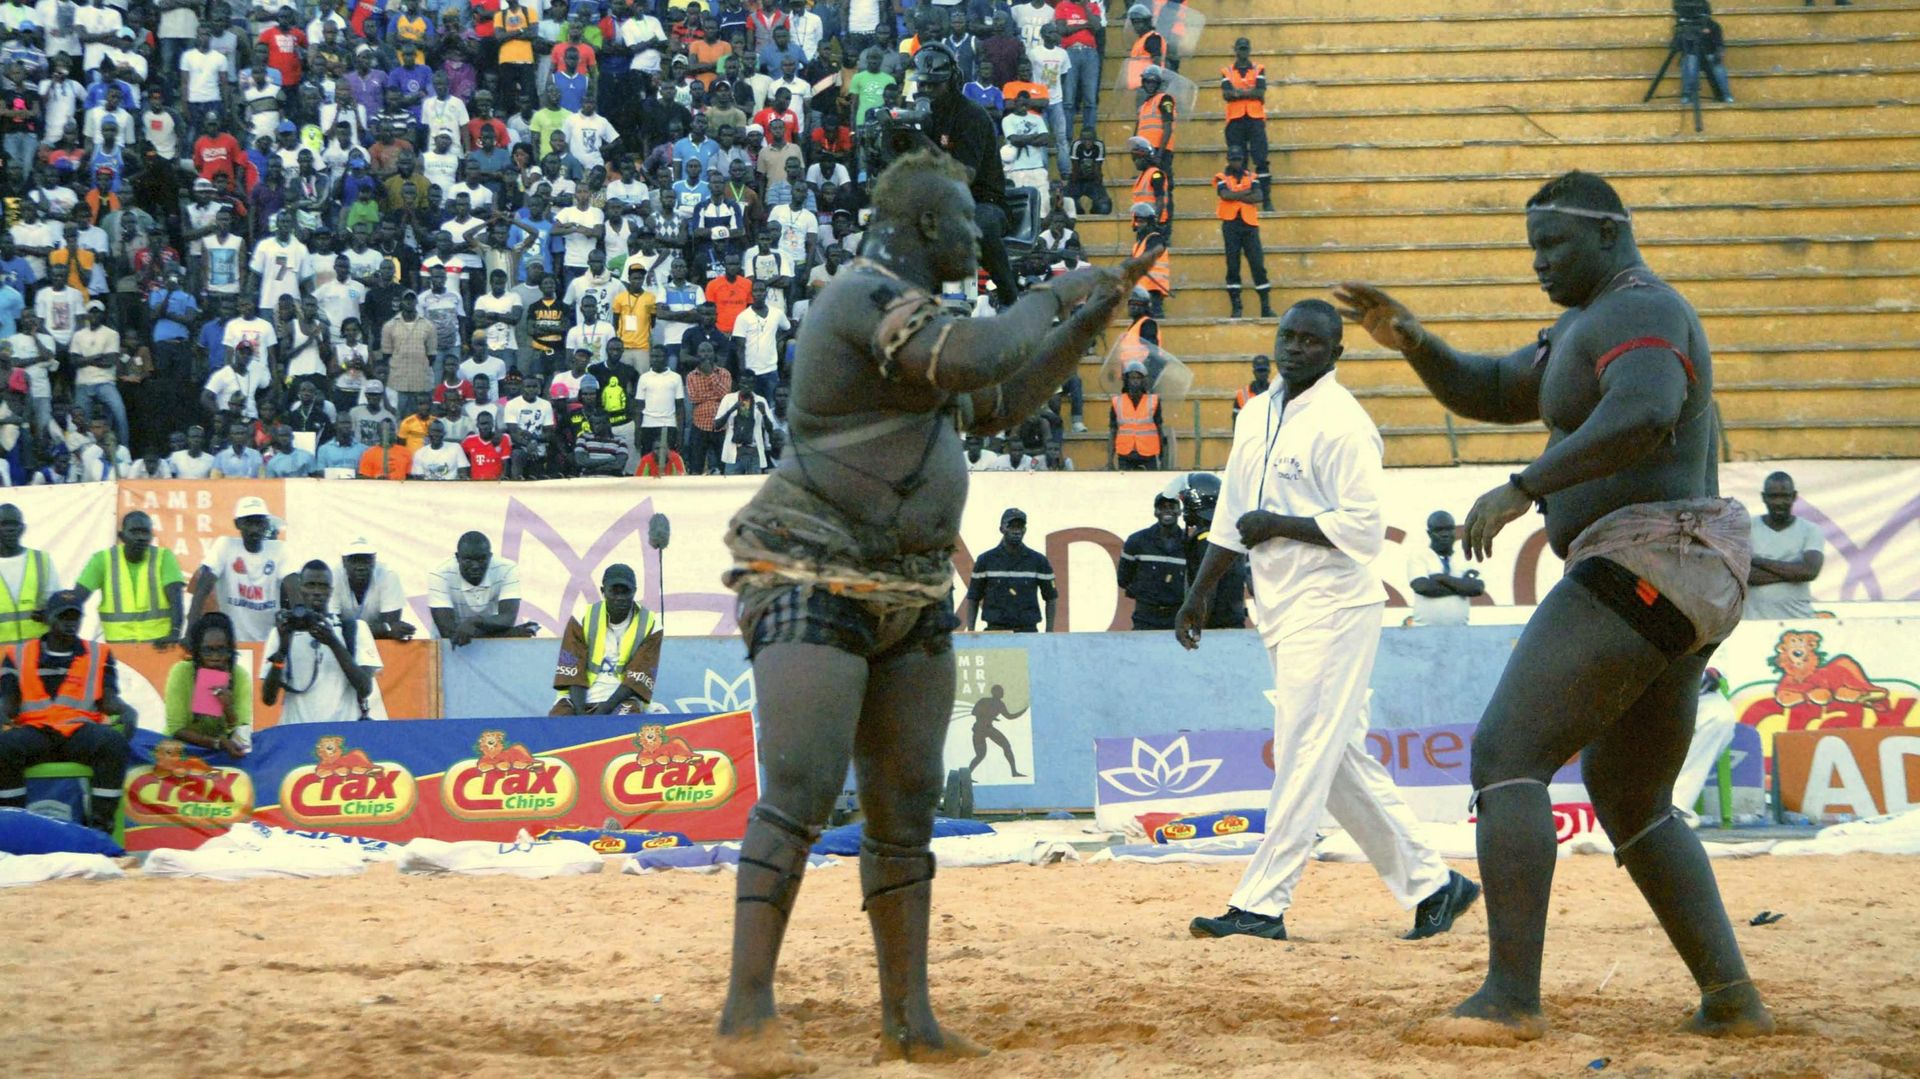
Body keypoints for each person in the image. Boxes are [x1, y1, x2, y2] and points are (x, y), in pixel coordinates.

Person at [713, 149, 1143, 1072]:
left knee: (906, 807)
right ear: (925, 228)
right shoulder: (861, 298)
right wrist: (1061, 287)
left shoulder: (915, 321)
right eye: (966, 219)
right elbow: (983, 352)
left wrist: (1087, 323)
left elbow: (996, 400)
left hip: (909, 588)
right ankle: (746, 1011)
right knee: (799, 788)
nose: (980, 234)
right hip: (809, 569)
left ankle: (909, 1019)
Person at [1333, 169, 1772, 1037]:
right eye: (1531, 245)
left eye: (1553, 245)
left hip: (1652, 549)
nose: (1537, 261)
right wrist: (1415, 340)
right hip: (1669, 567)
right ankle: (1733, 998)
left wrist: (1524, 487)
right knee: (1631, 793)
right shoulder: (1584, 324)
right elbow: (1496, 390)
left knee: (1507, 752)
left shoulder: (1640, 309)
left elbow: (1648, 410)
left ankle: (1510, 997)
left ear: (1609, 234)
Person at [1176, 300, 1478, 945]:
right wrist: (1200, 592)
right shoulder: (1256, 411)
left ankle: (1261, 903)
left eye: (1313, 342)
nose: (1295, 348)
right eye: (1289, 336)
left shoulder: (1346, 425)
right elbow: (1232, 513)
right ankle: (1434, 885)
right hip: (1278, 604)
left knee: (1302, 750)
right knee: (1334, 758)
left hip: (1336, 604)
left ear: (1337, 353)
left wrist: (1281, 525)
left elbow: (1365, 530)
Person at [0, 589, 134, 832]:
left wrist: (125, 710)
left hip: (79, 731)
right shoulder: (17, 654)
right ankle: (13, 826)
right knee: (3, 747)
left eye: (75, 616)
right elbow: (8, 701)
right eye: (64, 616)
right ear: (49, 618)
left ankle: (101, 830)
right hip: (35, 732)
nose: (70, 622)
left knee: (113, 743)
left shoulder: (99, 653)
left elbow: (108, 699)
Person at [913, 44, 1018, 300]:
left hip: (982, 201)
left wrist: (922, 141)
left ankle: (1010, 297)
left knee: (977, 225)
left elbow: (965, 176)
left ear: (953, 81)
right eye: (923, 85)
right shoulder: (919, 117)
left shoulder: (972, 115)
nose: (927, 91)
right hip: (938, 204)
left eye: (934, 85)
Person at [261, 561, 382, 724]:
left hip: (343, 733)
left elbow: (365, 688)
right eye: (310, 585)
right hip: (296, 733)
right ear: (300, 589)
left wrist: (333, 642)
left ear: (331, 591)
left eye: (323, 586)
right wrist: (282, 649)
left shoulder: (354, 629)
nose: (317, 592)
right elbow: (268, 699)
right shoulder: (283, 631)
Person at [550, 563, 663, 715]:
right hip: (577, 698)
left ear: (635, 592)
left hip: (621, 699)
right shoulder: (582, 617)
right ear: (603, 591)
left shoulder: (652, 623)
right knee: (559, 721)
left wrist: (603, 711)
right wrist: (580, 713)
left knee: (624, 722)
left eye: (626, 592)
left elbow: (637, 678)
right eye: (614, 592)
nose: (620, 598)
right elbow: (573, 670)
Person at [74, 510, 186, 645]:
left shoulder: (164, 557)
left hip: (159, 647)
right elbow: (77, 597)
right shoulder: (102, 560)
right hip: (119, 650)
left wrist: (175, 632)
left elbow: (176, 598)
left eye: (145, 532)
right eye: (134, 532)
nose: (140, 537)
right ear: (121, 536)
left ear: (151, 536)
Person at [188, 496, 286, 643]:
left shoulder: (280, 553)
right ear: (239, 525)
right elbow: (200, 590)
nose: (258, 530)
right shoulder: (225, 548)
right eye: (250, 522)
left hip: (269, 641)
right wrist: (192, 631)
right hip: (230, 640)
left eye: (273, 532)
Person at [162, 612, 253, 758]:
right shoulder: (181, 672)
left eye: (221, 649)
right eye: (208, 650)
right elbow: (176, 728)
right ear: (197, 651)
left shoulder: (240, 676)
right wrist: (216, 743)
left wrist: (228, 709)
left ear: (230, 651)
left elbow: (242, 731)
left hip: (223, 751)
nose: (215, 657)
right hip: (183, 751)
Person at [429, 531, 537, 646]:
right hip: (448, 648)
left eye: (481, 560)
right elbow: (450, 633)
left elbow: (508, 618)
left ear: (490, 557)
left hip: (491, 645)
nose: (475, 566)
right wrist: (505, 634)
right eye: (468, 560)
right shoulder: (439, 574)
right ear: (457, 557)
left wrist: (475, 621)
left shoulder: (507, 569)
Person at [960, 508, 1057, 633]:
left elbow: (1051, 598)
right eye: (1011, 526)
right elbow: (973, 598)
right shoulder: (985, 560)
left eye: (1020, 527)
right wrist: (971, 632)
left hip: (1028, 632)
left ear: (1025, 530)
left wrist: (1049, 633)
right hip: (995, 632)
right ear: (1002, 529)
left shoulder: (1039, 561)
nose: (1016, 531)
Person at [1744, 471, 1824, 619]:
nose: (1779, 502)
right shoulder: (1746, 528)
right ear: (1764, 497)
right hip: (1752, 623)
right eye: (1774, 496)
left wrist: (1757, 560)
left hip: (1799, 622)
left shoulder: (1811, 530)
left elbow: (1810, 571)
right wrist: (1794, 572)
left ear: (1794, 496)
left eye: (1785, 496)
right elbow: (1743, 575)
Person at [1176, 472, 1249, 629]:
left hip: (1215, 627)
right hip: (1231, 622)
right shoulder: (1222, 536)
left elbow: (1208, 589)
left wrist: (1196, 626)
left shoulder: (1207, 541)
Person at [1673, 667, 1737, 825]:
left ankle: (1674, 808)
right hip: (1643, 691)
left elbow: (1719, 658)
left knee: (1720, 717)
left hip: (1696, 692)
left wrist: (1711, 672)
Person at [1118, 491, 1188, 630]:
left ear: (1179, 511)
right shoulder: (1137, 541)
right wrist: (1145, 594)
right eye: (1162, 507)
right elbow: (1123, 579)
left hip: (1178, 617)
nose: (1167, 510)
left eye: (1172, 506)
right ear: (1155, 511)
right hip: (1145, 617)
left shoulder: (1190, 544)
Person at [1216, 147, 1273, 320]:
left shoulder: (1252, 176)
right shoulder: (1221, 177)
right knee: (1233, 266)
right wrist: (1245, 193)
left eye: (1239, 159)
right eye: (1233, 159)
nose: (1236, 162)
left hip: (1249, 225)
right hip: (1231, 225)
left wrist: (1236, 195)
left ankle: (1265, 306)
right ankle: (1236, 307)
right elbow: (1224, 194)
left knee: (1258, 265)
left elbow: (1259, 196)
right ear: (1228, 159)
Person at [1219, 37, 1272, 211]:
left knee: (1261, 159)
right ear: (1235, 50)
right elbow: (1227, 94)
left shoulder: (1259, 68)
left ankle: (1265, 199)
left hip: (1255, 118)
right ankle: (1244, 199)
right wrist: (1250, 92)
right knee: (1239, 160)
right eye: (1240, 49)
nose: (1243, 52)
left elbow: (1260, 91)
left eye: (1245, 49)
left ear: (1249, 50)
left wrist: (1238, 93)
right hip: (1235, 120)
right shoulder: (1226, 71)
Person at [1406, 510, 1484, 626]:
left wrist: (1441, 578)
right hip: (1424, 632)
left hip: (1460, 631)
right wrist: (1462, 587)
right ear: (1429, 533)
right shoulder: (1419, 556)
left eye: (1449, 529)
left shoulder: (1465, 557)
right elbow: (1422, 587)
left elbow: (1477, 588)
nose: (1445, 534)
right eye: (1439, 530)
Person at [333, 539, 415, 640]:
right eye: (355, 560)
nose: (360, 567)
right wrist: (384, 629)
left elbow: (392, 628)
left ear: (373, 561)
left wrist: (386, 629)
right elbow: (333, 629)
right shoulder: (332, 576)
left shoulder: (388, 575)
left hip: (378, 644)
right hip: (341, 644)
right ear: (344, 562)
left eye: (365, 560)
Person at [0, 503, 57, 645]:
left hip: (36, 656)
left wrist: (50, 614)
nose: (10, 529)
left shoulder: (41, 560)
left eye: (15, 524)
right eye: (4, 524)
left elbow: (57, 604)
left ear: (23, 529)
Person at [1107, 361, 1164, 471]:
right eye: (1132, 378)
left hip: (1148, 454)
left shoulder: (1154, 401)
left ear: (1144, 381)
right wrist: (1109, 460)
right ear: (1126, 381)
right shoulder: (1117, 402)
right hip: (1125, 454)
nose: (1135, 382)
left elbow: (1159, 428)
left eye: (1138, 378)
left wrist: (1162, 455)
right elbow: (1113, 431)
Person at [966, 683, 1026, 778]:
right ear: (995, 692)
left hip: (989, 728)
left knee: (1006, 746)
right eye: (1001, 691)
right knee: (981, 755)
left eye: (1003, 691)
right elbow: (975, 713)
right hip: (980, 729)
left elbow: (1009, 716)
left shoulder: (1000, 704)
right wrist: (988, 716)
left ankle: (1014, 772)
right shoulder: (984, 700)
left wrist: (1023, 711)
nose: (1003, 693)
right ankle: (967, 775)